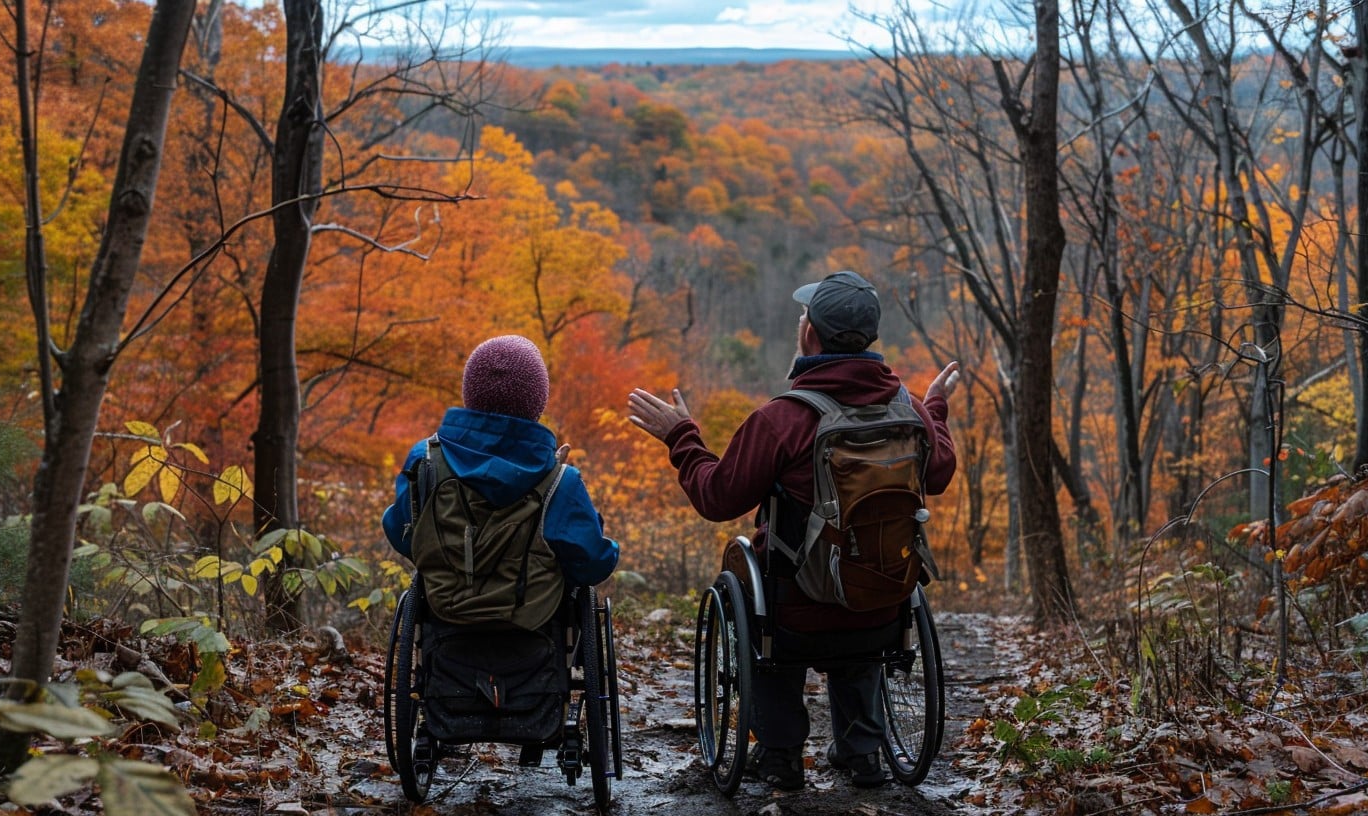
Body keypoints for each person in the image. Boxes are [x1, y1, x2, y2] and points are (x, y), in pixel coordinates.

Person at [627, 270, 958, 791]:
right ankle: (862, 752)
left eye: (805, 315)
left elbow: (717, 497)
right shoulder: (908, 410)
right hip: (881, 607)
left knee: (761, 578)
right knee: (863, 574)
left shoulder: (781, 420)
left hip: (793, 616)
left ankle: (781, 754)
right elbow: (937, 474)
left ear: (811, 335)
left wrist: (681, 437)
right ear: (870, 338)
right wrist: (934, 409)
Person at [382, 334, 619, 589]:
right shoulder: (562, 481)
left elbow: (403, 534)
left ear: (470, 392)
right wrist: (555, 482)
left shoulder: (425, 459)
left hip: (441, 619)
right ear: (537, 401)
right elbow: (593, 564)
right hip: (537, 624)